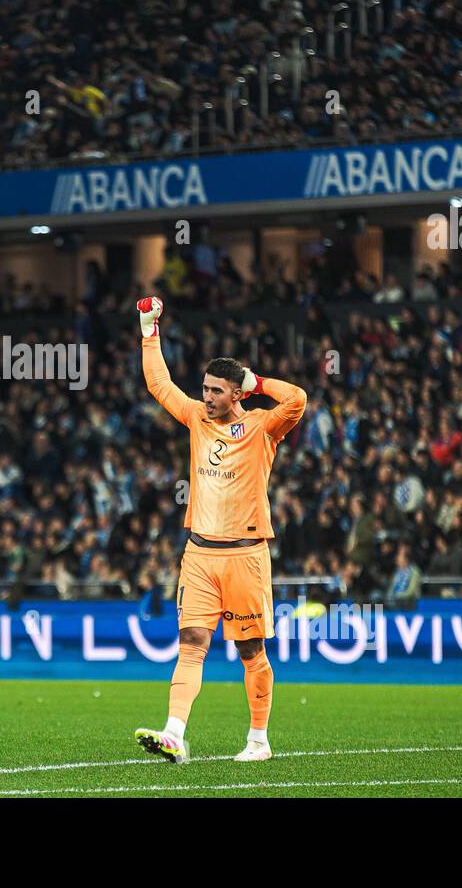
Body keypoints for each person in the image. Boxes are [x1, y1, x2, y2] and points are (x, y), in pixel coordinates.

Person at [132, 296, 307, 764]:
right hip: (200, 555)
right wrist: (150, 330)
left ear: (236, 394)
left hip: (246, 556)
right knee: (191, 643)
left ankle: (258, 740)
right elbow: (158, 383)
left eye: (215, 390)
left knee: (251, 650)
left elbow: (298, 399)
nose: (206, 396)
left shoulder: (262, 428)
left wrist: (259, 382)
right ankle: (174, 733)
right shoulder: (194, 419)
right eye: (205, 388)